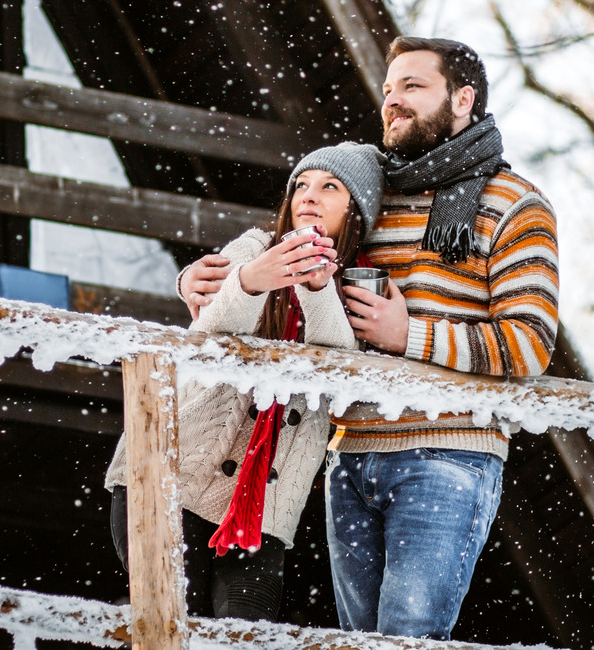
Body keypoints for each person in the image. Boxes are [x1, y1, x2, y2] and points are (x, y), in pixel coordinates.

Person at [178, 37, 558, 640]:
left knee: (406, 639)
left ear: (464, 99)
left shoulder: (515, 205)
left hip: (448, 454)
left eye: (412, 87)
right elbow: (287, 236)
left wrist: (409, 334)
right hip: (349, 452)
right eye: (388, 90)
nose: (393, 102)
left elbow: (530, 345)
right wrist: (203, 277)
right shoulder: (372, 192)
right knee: (357, 642)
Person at [105, 142, 386, 622]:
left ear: (355, 209)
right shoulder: (254, 247)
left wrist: (316, 288)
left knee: (246, 633)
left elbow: (338, 371)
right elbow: (208, 328)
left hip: (265, 510)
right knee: (170, 624)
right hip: (169, 475)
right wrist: (252, 280)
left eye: (329, 187)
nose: (308, 196)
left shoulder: (360, 284)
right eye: (301, 184)